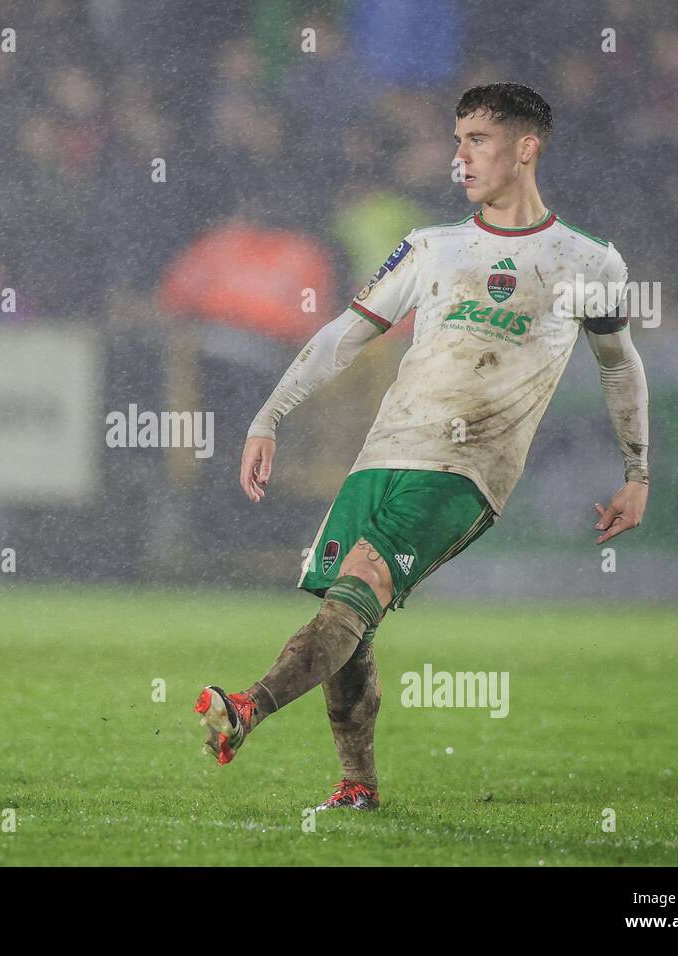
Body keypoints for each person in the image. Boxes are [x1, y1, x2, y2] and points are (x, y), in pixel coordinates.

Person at [194, 83, 651, 811]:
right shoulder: (432, 247)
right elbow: (347, 332)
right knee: (350, 622)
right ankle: (357, 787)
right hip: (382, 455)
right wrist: (269, 413)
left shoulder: (587, 261)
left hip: (468, 469)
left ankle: (246, 707)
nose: (459, 155)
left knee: (363, 585)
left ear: (526, 148)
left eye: (478, 140)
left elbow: (618, 363)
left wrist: (637, 470)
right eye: (457, 138)